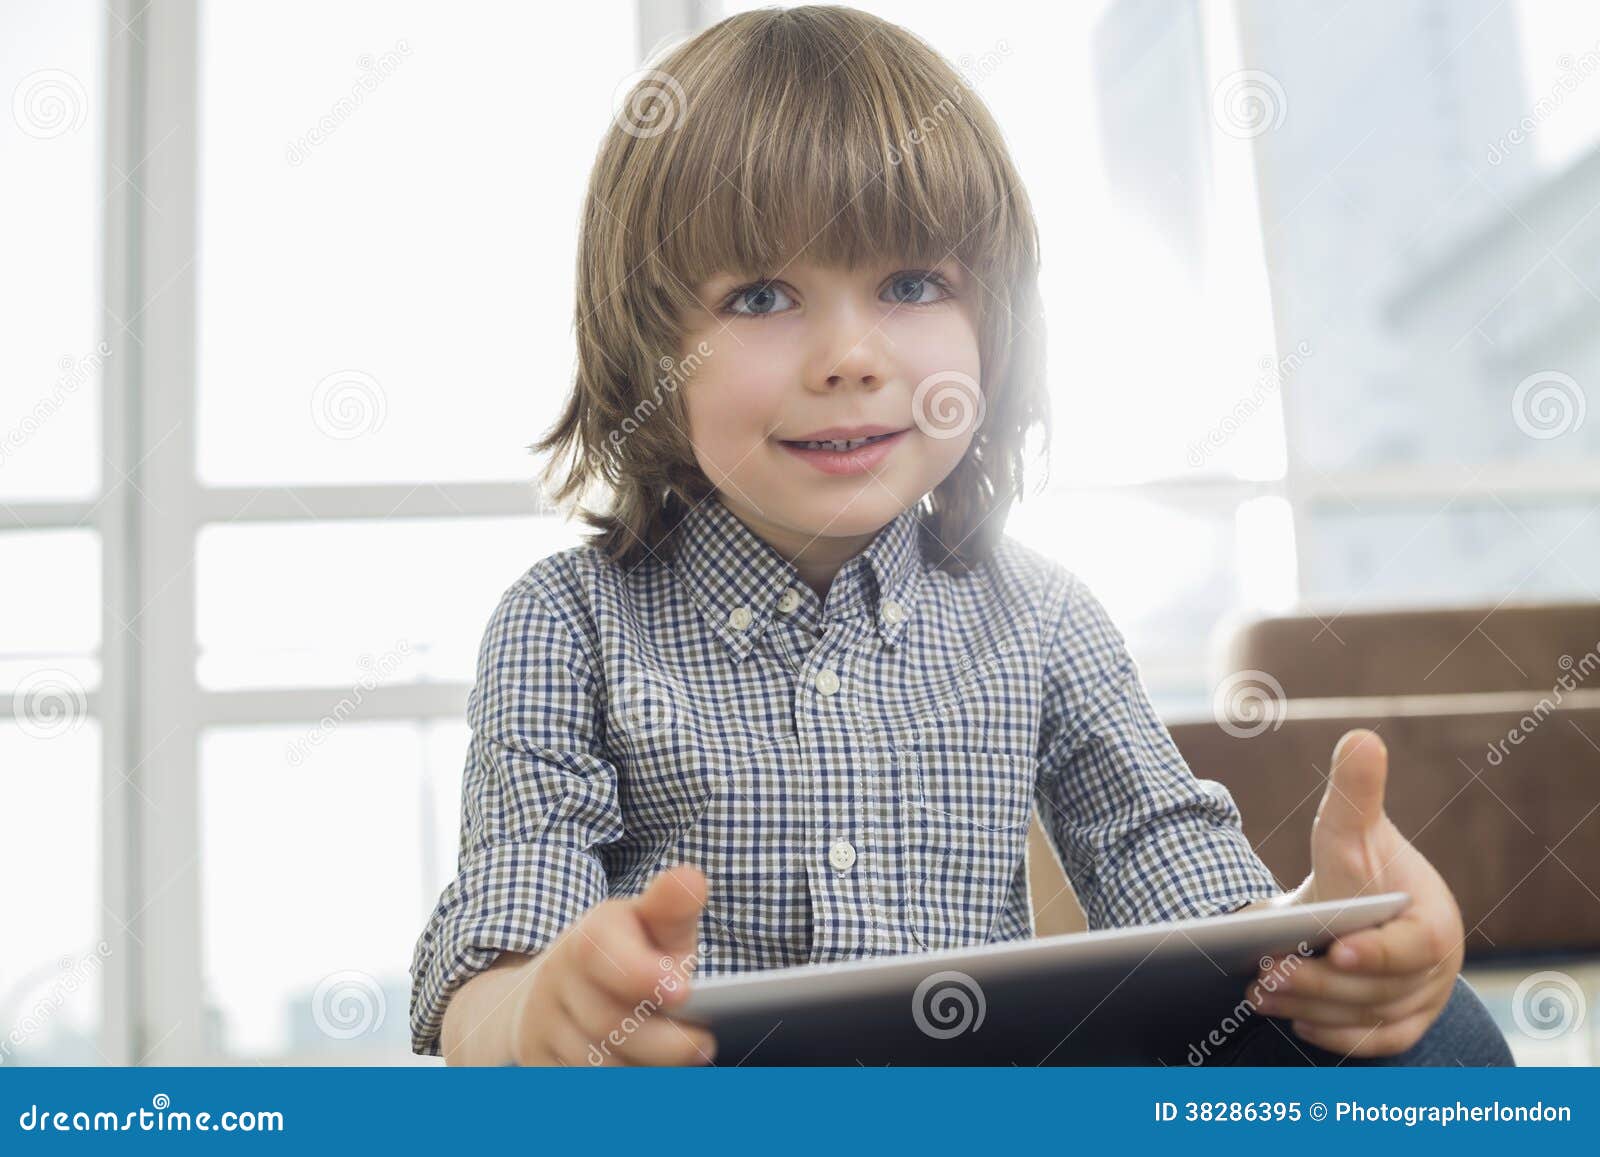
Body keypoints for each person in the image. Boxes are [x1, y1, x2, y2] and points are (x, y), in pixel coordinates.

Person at [408, 5, 1513, 1068]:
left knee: (1442, 1032)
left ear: (992, 325)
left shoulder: (1042, 612)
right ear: (649, 354)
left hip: (987, 1095)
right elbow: (498, 964)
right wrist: (544, 1016)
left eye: (908, 283)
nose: (849, 355)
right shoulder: (566, 620)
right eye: (757, 297)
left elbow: (1187, 902)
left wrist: (1343, 944)